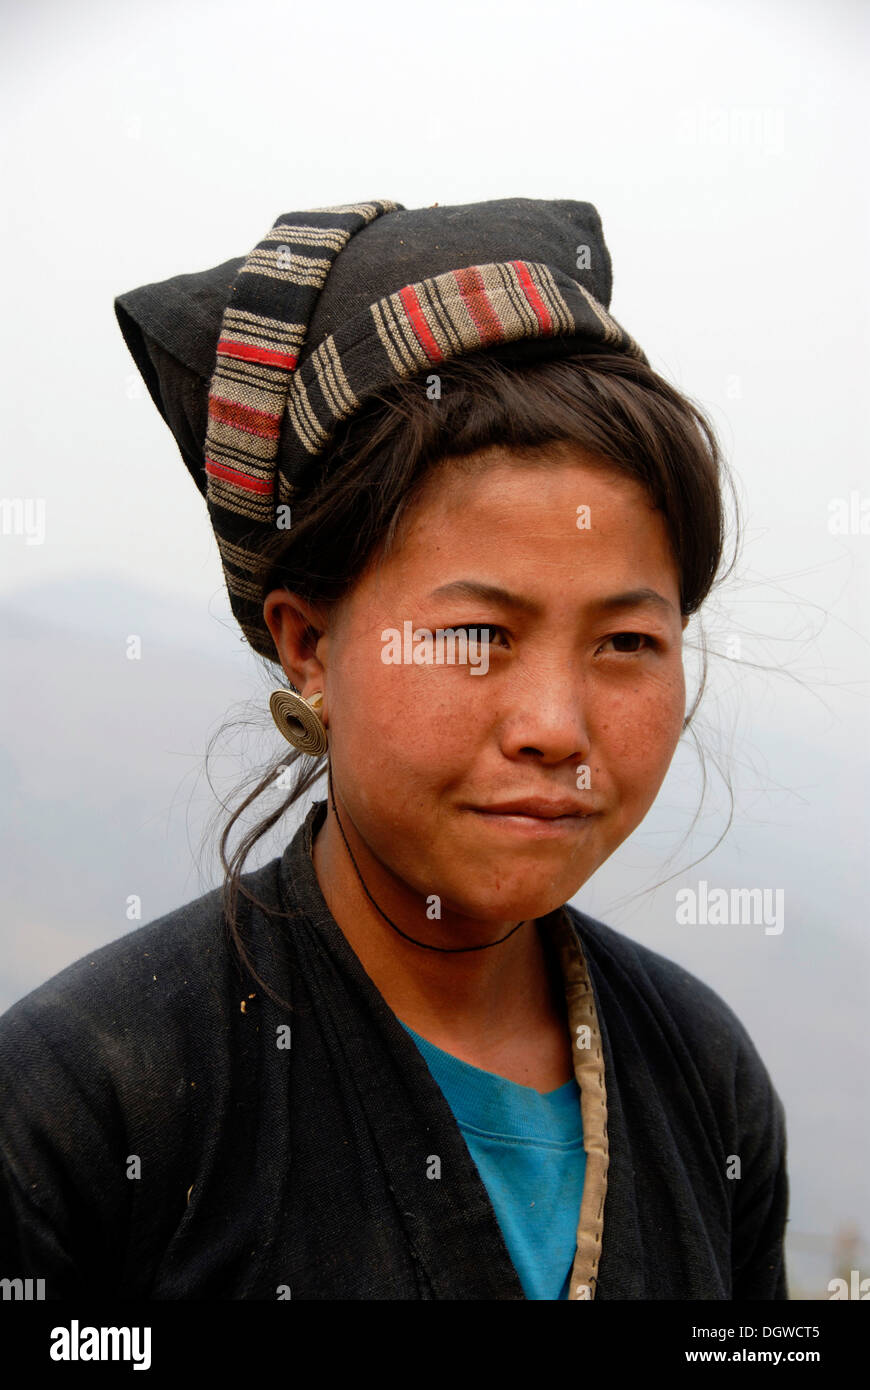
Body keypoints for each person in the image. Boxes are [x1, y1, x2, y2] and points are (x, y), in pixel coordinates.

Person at [0, 197, 788, 1300]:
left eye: (626, 639)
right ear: (310, 645)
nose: (556, 727)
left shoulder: (706, 1081)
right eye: (475, 635)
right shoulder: (79, 1106)